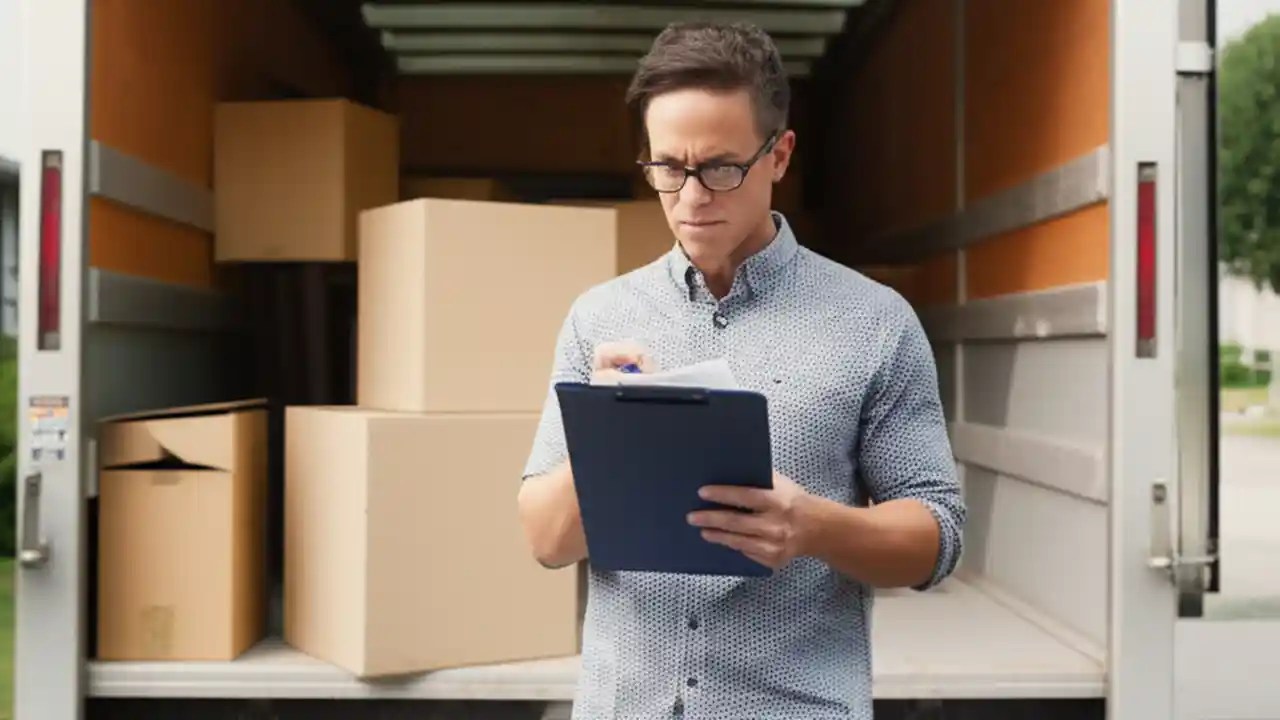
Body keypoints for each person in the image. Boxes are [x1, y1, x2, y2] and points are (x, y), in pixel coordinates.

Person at [517, 20, 965, 720]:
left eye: (722, 168)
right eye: (668, 168)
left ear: (779, 155)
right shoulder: (598, 318)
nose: (692, 197)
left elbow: (937, 536)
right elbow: (547, 542)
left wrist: (813, 527)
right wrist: (609, 433)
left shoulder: (875, 322)